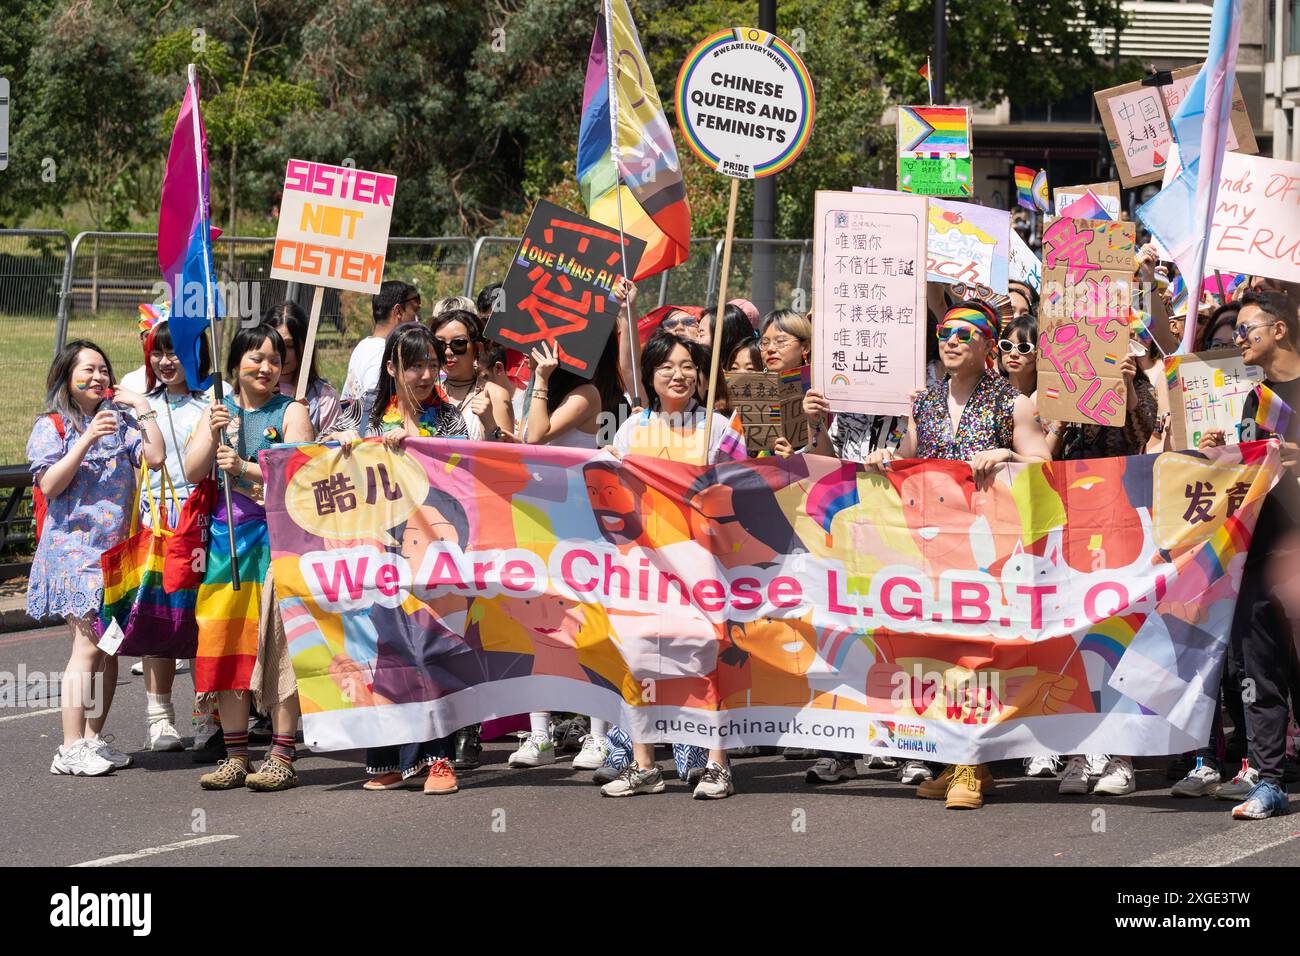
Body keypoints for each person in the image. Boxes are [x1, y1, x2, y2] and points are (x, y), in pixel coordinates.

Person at [865, 301, 1051, 810]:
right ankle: (957, 759)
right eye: (946, 332)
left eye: (965, 335)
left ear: (988, 346)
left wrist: (1011, 455)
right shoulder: (922, 401)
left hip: (991, 545)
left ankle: (971, 761)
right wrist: (887, 458)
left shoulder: (1013, 403)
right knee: (942, 650)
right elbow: (909, 455)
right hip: (931, 543)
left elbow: (1044, 463)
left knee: (979, 650)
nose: (950, 341)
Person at [599, 330, 747, 799]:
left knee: (707, 654)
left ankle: (717, 763)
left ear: (700, 376)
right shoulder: (631, 429)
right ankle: (644, 765)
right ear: (650, 377)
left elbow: (743, 488)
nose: (678, 375)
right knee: (637, 654)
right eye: (666, 367)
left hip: (701, 563)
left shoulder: (718, 428)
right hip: (643, 568)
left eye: (687, 366)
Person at [185, 324, 314, 792]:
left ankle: (282, 755)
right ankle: (236, 754)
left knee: (281, 641)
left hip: (280, 539)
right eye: (256, 358)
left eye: (274, 359)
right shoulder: (216, 410)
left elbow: (301, 476)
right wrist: (212, 429)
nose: (266, 367)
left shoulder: (292, 410)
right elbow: (192, 469)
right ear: (235, 363)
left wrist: (243, 467)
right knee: (226, 641)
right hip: (228, 543)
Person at [30, 340, 165, 775]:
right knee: (88, 647)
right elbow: (50, 485)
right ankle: (69, 747)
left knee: (108, 650)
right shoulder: (53, 426)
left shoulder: (123, 422)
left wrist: (142, 407)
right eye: (87, 369)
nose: (98, 377)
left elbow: (157, 458)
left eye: (104, 370)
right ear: (67, 378)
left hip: (114, 554)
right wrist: (87, 437)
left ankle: (91, 738)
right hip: (72, 553)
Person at [348, 322, 472, 793]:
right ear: (392, 368)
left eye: (431, 364)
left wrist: (416, 438)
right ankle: (391, 759)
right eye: (414, 365)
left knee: (432, 646)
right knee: (387, 649)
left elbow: (462, 473)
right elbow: (332, 465)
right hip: (379, 549)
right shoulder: (365, 416)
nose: (425, 374)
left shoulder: (449, 418)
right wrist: (349, 448)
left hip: (434, 547)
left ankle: (440, 758)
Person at [1200, 290, 1300, 820]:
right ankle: (1268, 780)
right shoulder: (1254, 399)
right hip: (1258, 552)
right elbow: (1250, 474)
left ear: (1278, 330)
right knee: (1260, 673)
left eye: (1245, 329)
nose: (1237, 339)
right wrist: (1222, 453)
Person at [508, 331, 627, 772]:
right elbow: (522, 441)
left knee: (588, 629)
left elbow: (535, 437)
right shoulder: (538, 393)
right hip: (541, 522)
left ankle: (598, 736)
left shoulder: (586, 393)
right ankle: (539, 734)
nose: (537, 352)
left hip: (581, 528)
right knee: (541, 629)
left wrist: (539, 380)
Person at [138, 318, 214, 754]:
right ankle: (159, 719)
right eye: (158, 352)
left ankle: (206, 716)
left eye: (176, 352)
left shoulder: (211, 403)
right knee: (161, 622)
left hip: (204, 523)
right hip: (159, 525)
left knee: (206, 622)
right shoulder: (140, 404)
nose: (166, 361)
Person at [340, 280, 419, 431]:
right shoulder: (383, 352)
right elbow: (373, 403)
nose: (416, 320)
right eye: (414, 312)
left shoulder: (363, 345)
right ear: (398, 311)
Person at [432, 309, 514, 442]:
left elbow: (504, 457)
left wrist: (490, 424)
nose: (447, 352)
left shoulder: (495, 395)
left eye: (458, 344)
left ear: (477, 348)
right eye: (439, 344)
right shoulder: (426, 390)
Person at [267, 301, 340, 435]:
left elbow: (333, 453)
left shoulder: (324, 397)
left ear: (305, 346)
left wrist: (306, 425)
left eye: (290, 346)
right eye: (276, 344)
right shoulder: (251, 389)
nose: (282, 354)